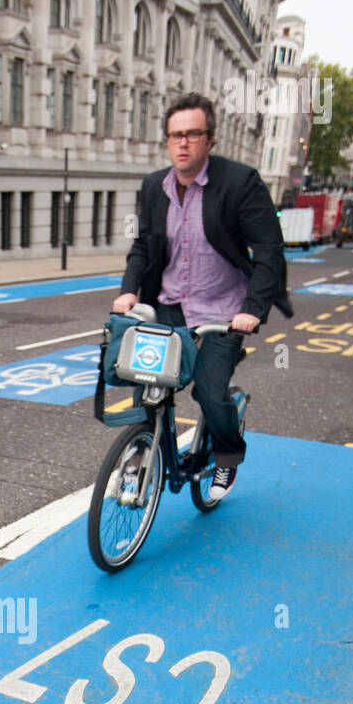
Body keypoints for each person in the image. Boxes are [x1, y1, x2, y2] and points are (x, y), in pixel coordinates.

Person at [112, 93, 292, 501]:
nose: (183, 143)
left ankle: (227, 457)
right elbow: (143, 246)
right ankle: (144, 450)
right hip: (171, 305)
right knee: (147, 383)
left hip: (224, 312)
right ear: (167, 140)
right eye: (176, 135)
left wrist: (252, 311)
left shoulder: (240, 183)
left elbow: (268, 251)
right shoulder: (154, 187)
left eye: (193, 134)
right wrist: (128, 290)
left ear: (209, 139)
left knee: (209, 392)